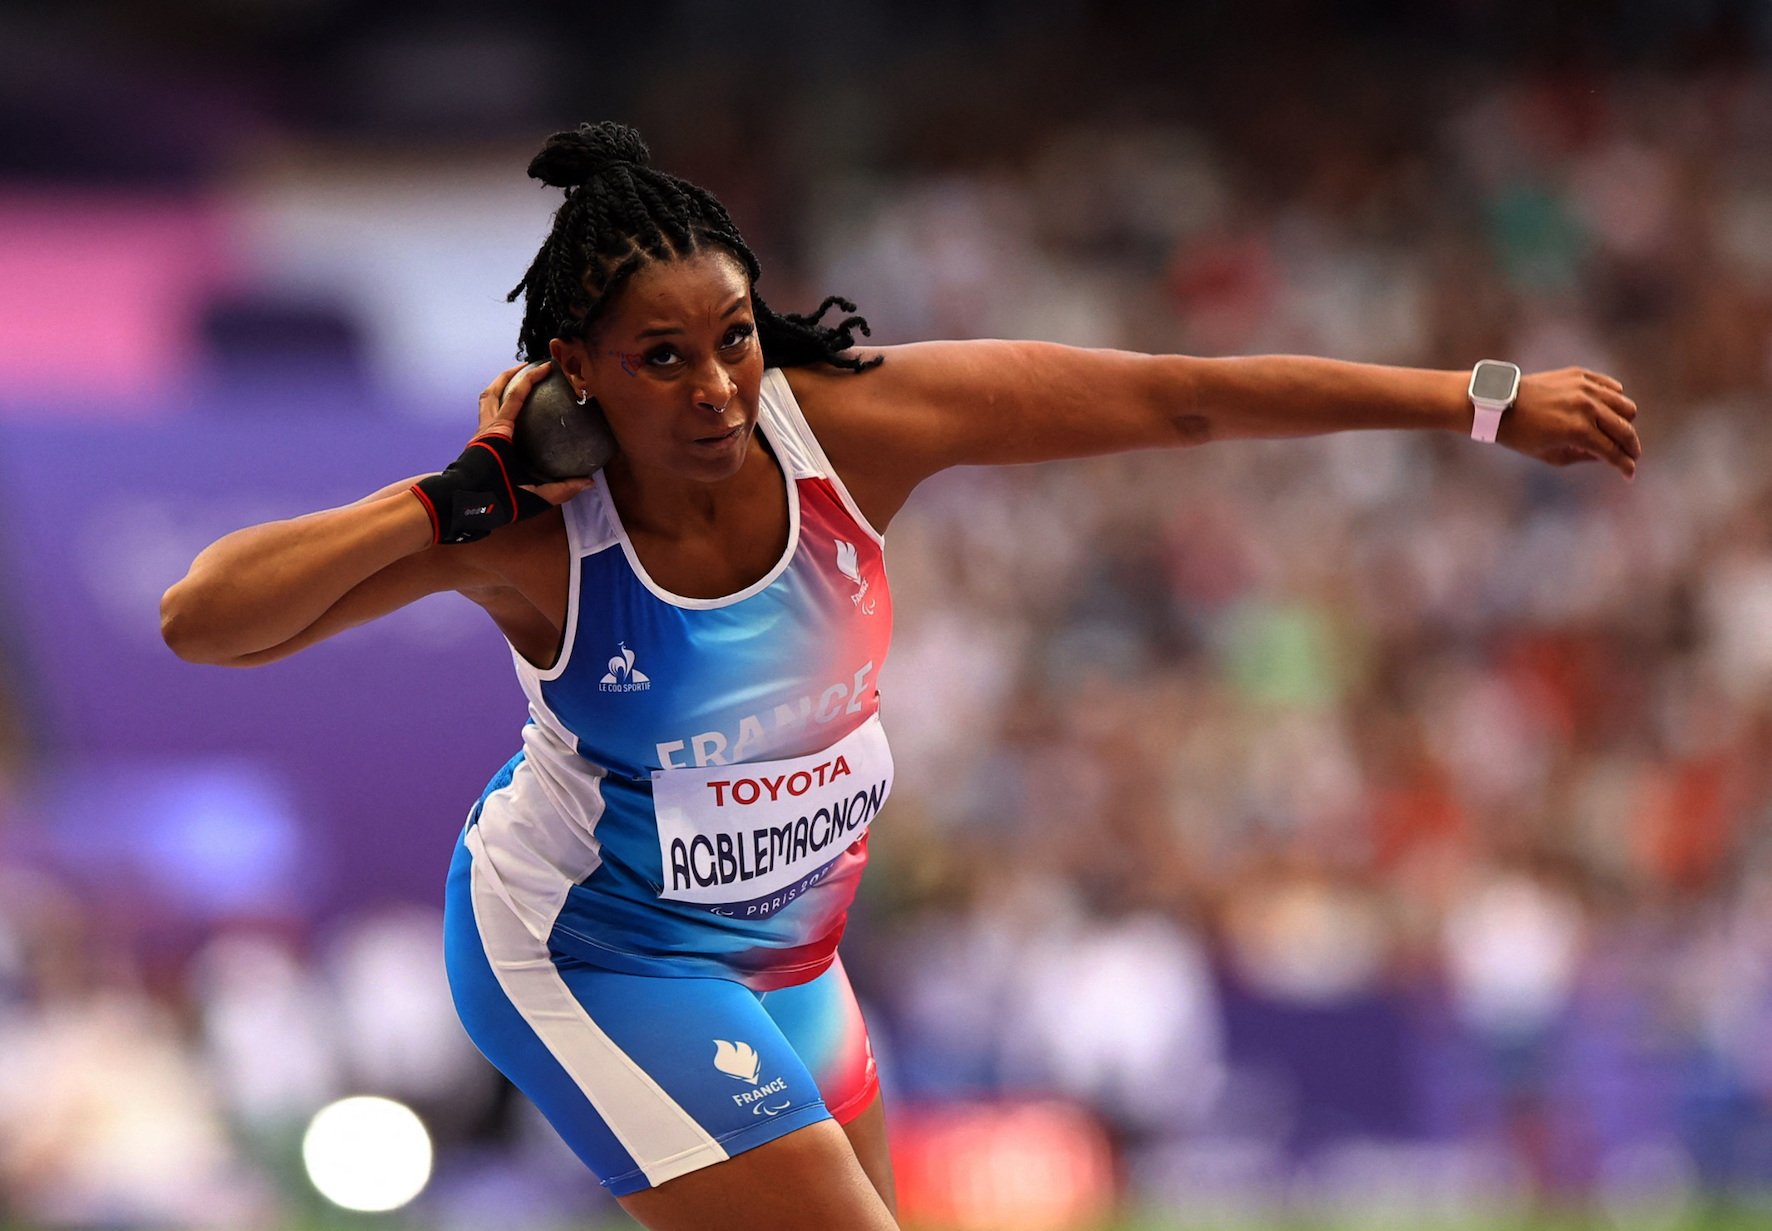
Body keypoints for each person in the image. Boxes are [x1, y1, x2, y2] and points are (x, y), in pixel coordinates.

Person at [159, 121, 1642, 1231]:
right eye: (661, 359)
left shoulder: (853, 432)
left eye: (734, 338)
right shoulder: (539, 537)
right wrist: (461, 491)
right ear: (574, 373)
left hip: (795, 959)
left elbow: (1174, 395)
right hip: (593, 961)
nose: (721, 389)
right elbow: (206, 622)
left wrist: (1482, 403)